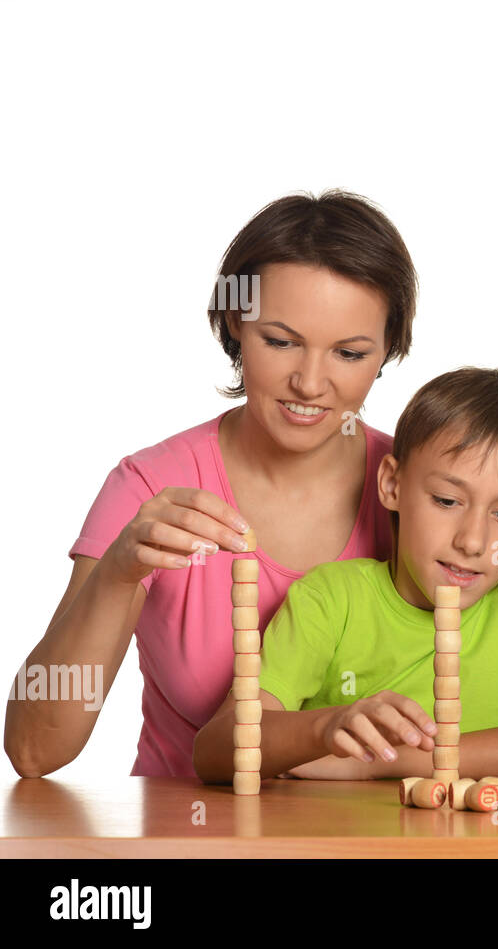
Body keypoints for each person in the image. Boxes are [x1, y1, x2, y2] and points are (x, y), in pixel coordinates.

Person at [5, 191, 418, 778]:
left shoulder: (420, 490)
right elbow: (33, 750)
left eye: (349, 353)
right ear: (235, 323)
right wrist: (119, 571)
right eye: (280, 341)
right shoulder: (151, 486)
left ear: (386, 353)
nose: (309, 382)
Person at [193, 367, 498, 782]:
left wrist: (380, 761)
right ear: (392, 485)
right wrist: (325, 729)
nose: (472, 541)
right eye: (447, 500)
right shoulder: (331, 600)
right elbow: (214, 750)